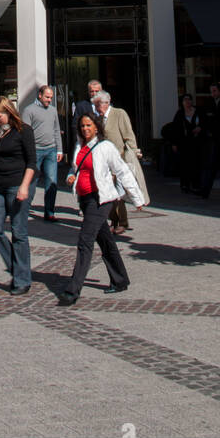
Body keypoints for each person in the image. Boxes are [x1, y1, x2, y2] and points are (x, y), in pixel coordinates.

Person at [58, 112, 144, 306]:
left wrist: (137, 198)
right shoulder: (80, 146)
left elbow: (122, 171)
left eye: (89, 125)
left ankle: (73, 290)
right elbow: (75, 169)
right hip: (85, 200)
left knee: (85, 241)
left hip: (101, 200)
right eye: (82, 126)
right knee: (106, 241)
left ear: (96, 127)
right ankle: (120, 280)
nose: (85, 129)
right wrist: (71, 177)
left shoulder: (106, 147)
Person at [0, 97, 36, 295]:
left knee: (19, 232)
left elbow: (32, 163)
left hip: (16, 186)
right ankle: (18, 267)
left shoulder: (24, 131)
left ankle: (22, 280)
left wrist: (24, 187)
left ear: (9, 113)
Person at [94, 92, 150, 233]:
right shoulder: (99, 119)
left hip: (121, 159)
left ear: (106, 103)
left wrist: (134, 153)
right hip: (106, 162)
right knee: (109, 192)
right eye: (95, 105)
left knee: (119, 193)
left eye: (97, 105)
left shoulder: (119, 114)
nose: (96, 108)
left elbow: (128, 134)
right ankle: (114, 220)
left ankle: (122, 222)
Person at [22, 85, 63, 222]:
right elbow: (25, 133)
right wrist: (28, 151)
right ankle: (24, 210)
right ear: (40, 95)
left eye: (51, 97)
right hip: (36, 151)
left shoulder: (53, 110)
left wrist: (60, 149)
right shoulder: (29, 110)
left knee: (52, 182)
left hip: (51, 150)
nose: (49, 100)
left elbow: (57, 130)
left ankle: (49, 212)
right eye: (47, 97)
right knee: (31, 182)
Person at [202, 81, 220, 199]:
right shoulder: (210, 103)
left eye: (214, 91)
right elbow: (208, 119)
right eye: (211, 91)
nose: (212, 94)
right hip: (213, 137)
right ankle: (205, 189)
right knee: (211, 164)